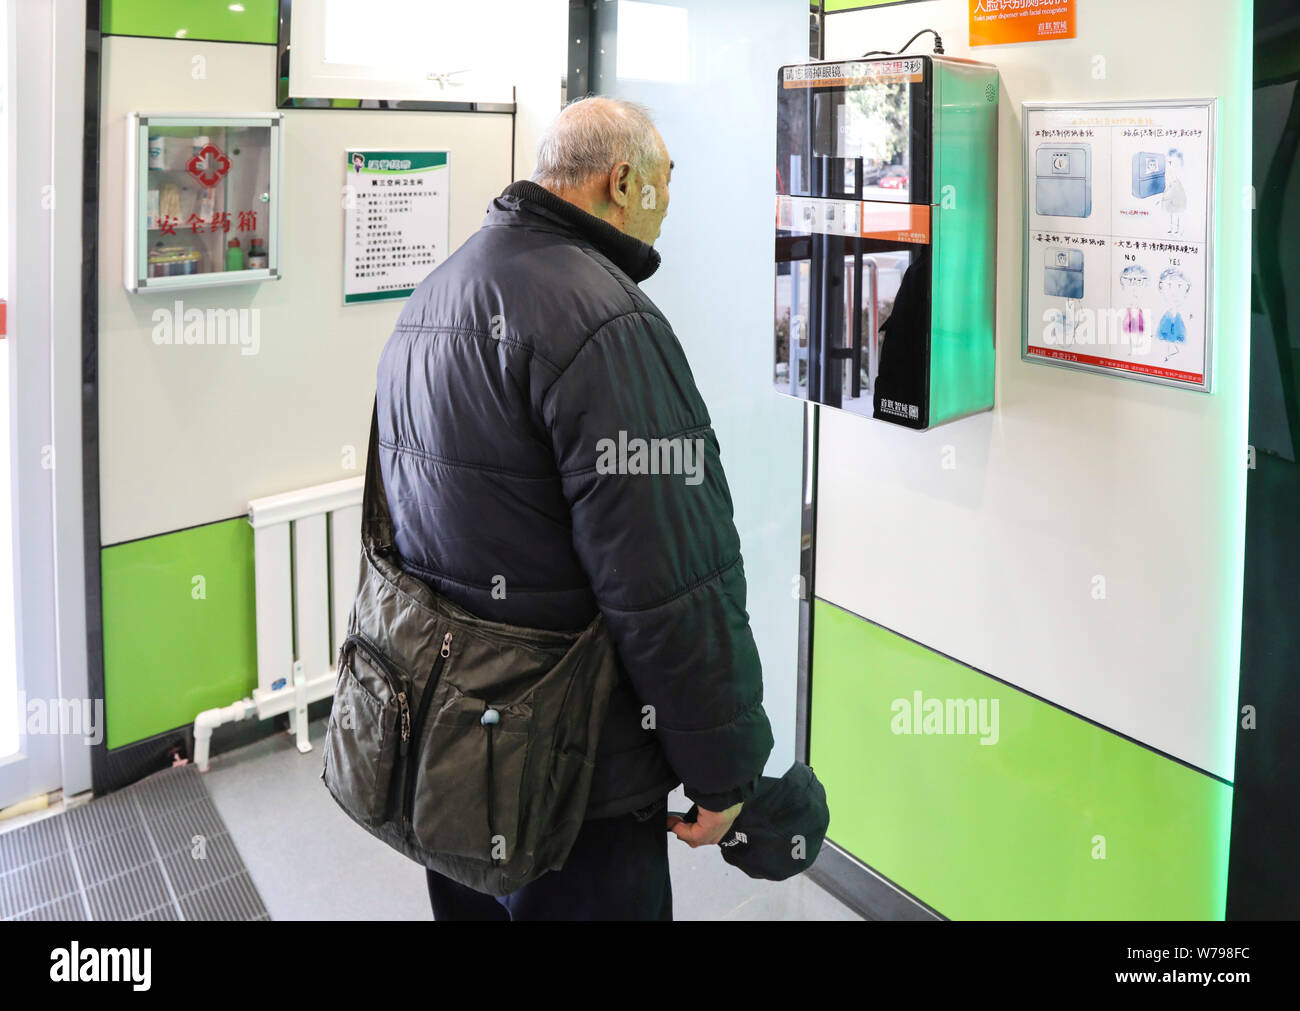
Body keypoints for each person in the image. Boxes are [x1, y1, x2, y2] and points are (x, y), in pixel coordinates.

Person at [375, 97, 774, 920]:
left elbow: (401, 528)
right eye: (667, 180)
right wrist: (722, 770)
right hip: (571, 776)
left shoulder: (436, 294)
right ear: (622, 182)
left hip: (451, 756)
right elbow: (669, 582)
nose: (671, 202)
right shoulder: (608, 323)